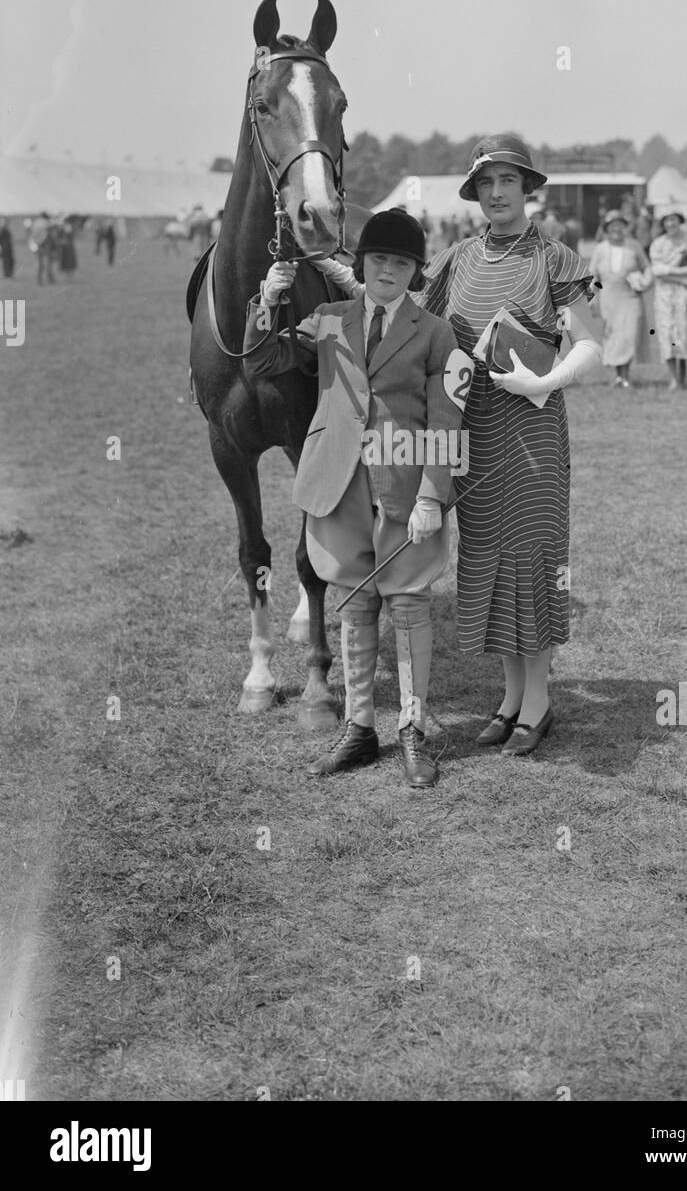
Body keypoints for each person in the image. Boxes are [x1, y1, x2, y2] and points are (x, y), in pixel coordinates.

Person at [242, 208, 467, 789]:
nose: (387, 270)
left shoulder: (437, 333)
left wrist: (432, 497)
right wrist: (265, 304)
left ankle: (412, 730)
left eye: (400, 262)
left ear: (415, 271)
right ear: (360, 263)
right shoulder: (329, 320)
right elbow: (264, 360)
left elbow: (446, 422)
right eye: (378, 259)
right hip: (337, 485)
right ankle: (360, 727)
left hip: (406, 489)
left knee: (411, 606)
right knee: (354, 602)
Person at [420, 134, 602, 757]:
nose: (497, 193)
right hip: (477, 437)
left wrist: (545, 381)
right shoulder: (454, 261)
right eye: (486, 183)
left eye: (508, 181)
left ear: (528, 188)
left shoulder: (556, 259)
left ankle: (540, 702)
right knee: (490, 564)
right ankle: (508, 698)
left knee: (534, 561)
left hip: (535, 431)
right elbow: (416, 324)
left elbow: (592, 343)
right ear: (475, 193)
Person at [590, 210, 652, 387]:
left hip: (630, 297)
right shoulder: (600, 249)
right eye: (612, 226)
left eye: (620, 225)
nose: (616, 229)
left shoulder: (634, 246)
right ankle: (618, 376)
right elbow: (593, 276)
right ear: (606, 229)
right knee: (613, 336)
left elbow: (647, 267)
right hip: (609, 298)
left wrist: (644, 282)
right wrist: (593, 295)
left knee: (629, 335)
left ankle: (626, 375)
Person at [649, 210, 687, 390]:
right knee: (666, 333)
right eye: (666, 221)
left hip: (683, 293)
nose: (670, 224)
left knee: (682, 332)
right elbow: (656, 271)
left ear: (679, 221)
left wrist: (668, 271)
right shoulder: (658, 244)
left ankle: (682, 377)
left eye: (673, 220)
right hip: (663, 295)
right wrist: (681, 273)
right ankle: (673, 378)